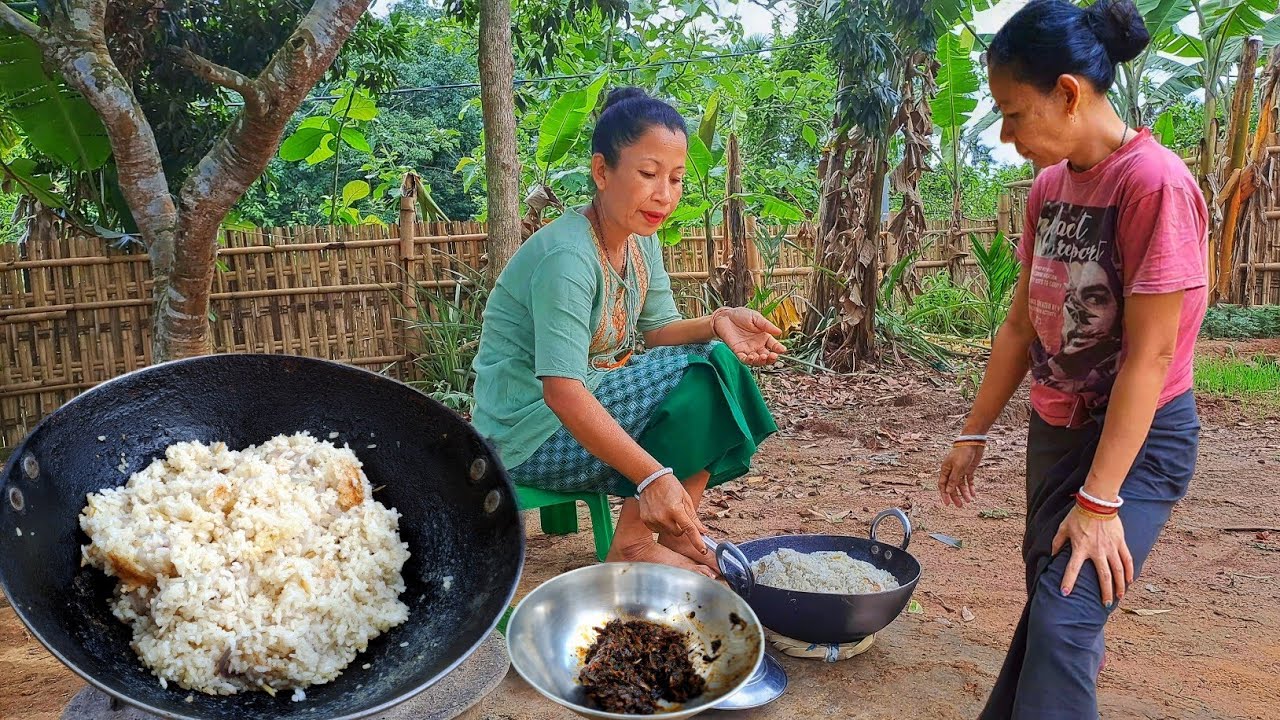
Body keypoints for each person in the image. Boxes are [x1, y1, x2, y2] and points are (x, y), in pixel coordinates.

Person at [935, 1, 1208, 717]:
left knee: (1064, 616)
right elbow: (1022, 327)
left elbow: (1150, 358)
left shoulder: (1154, 184)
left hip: (1138, 440)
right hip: (1057, 430)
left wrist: (1100, 500)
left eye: (1015, 113)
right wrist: (973, 431)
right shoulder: (1050, 189)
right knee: (1050, 599)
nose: (1006, 133)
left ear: (1067, 92)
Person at [472, 87, 785, 577]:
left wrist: (718, 321)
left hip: (584, 402)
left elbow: (659, 330)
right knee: (700, 378)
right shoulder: (567, 258)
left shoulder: (641, 242)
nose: (665, 194)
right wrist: (652, 475)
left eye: (677, 179)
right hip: (526, 433)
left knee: (717, 361)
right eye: (647, 174)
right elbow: (561, 391)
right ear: (602, 172)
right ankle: (635, 545)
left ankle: (678, 532)